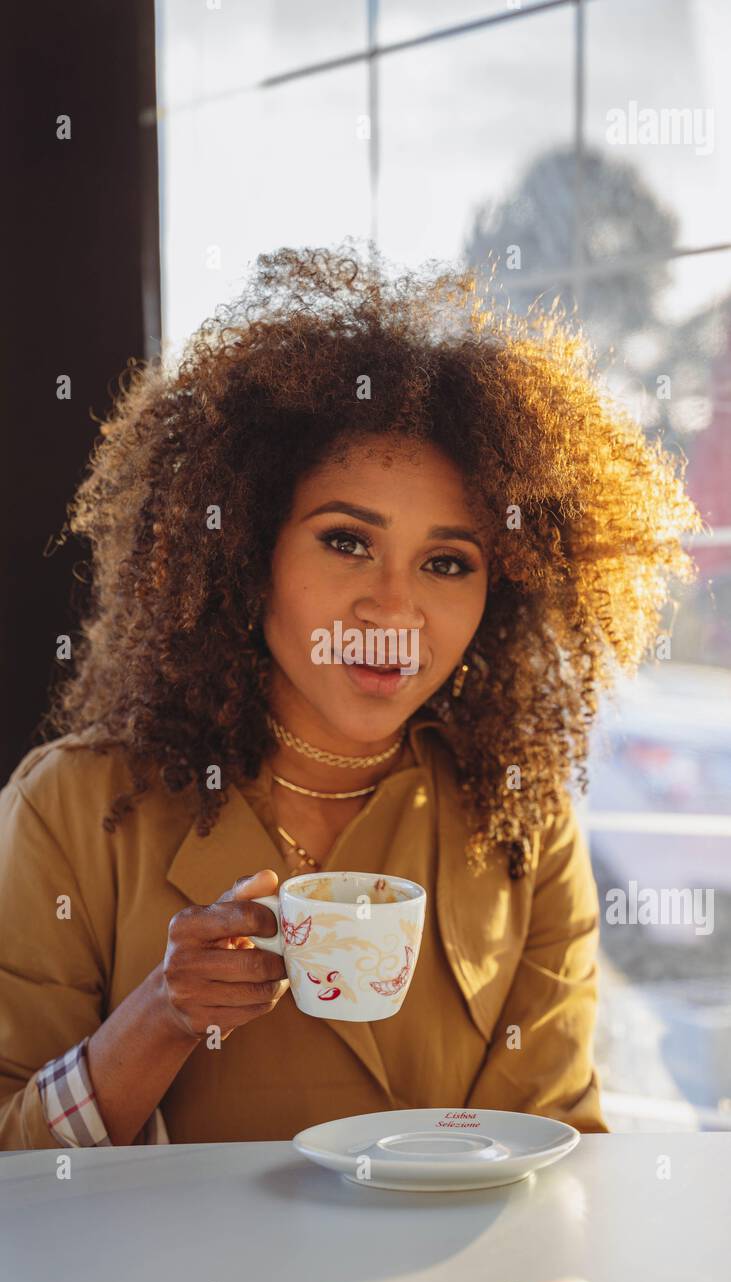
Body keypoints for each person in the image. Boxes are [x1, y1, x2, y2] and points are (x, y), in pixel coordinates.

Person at [0, 245, 701, 1149]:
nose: (393, 607)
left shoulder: (522, 820)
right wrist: (157, 1021)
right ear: (248, 553)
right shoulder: (69, 809)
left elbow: (559, 1150)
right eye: (345, 541)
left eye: (447, 563)